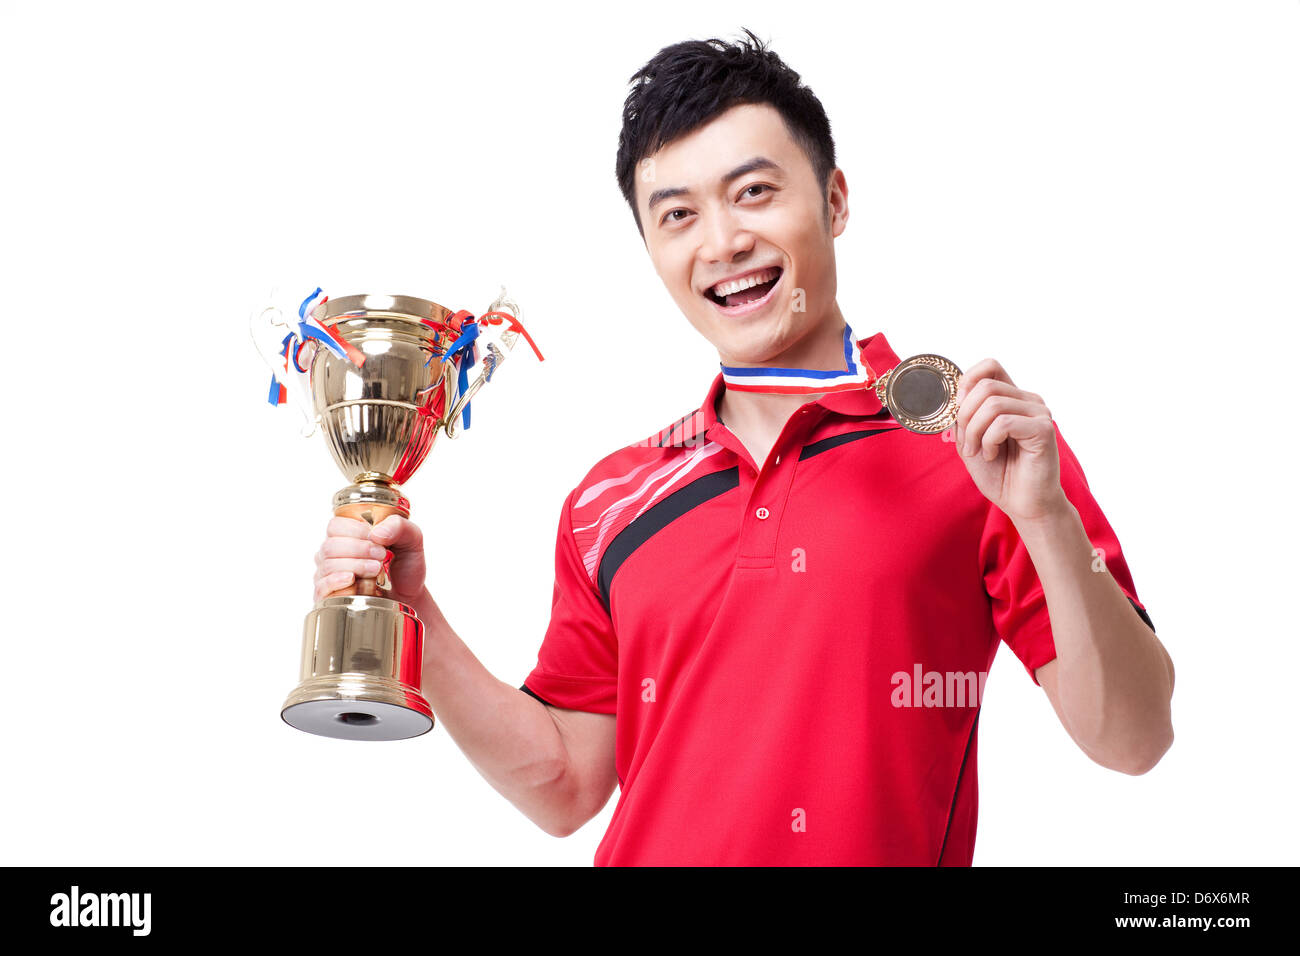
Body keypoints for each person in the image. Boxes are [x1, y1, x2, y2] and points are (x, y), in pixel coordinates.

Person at [311, 27, 1175, 865]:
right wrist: (414, 609)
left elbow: (1133, 739)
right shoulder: (610, 499)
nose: (723, 243)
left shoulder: (980, 450)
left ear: (835, 200)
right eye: (678, 214)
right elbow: (564, 785)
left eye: (754, 192)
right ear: (651, 248)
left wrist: (1047, 519)